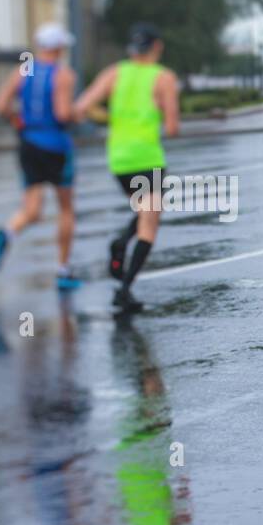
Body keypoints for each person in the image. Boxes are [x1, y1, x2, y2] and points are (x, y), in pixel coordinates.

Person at [73, 23, 180, 315]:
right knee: (149, 221)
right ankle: (125, 289)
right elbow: (172, 128)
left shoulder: (113, 73)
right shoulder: (164, 78)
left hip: (119, 159)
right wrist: (156, 110)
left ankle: (120, 243)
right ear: (157, 47)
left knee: (147, 208)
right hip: (147, 157)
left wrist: (110, 117)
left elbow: (81, 107)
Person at [0, 23, 80, 289]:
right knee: (65, 208)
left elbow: (1, 105)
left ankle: (7, 233)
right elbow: (63, 114)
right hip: (56, 146)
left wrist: (18, 120)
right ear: (59, 47)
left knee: (32, 210)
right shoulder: (63, 75)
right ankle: (63, 270)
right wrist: (77, 114)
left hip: (28, 143)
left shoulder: (23, 70)